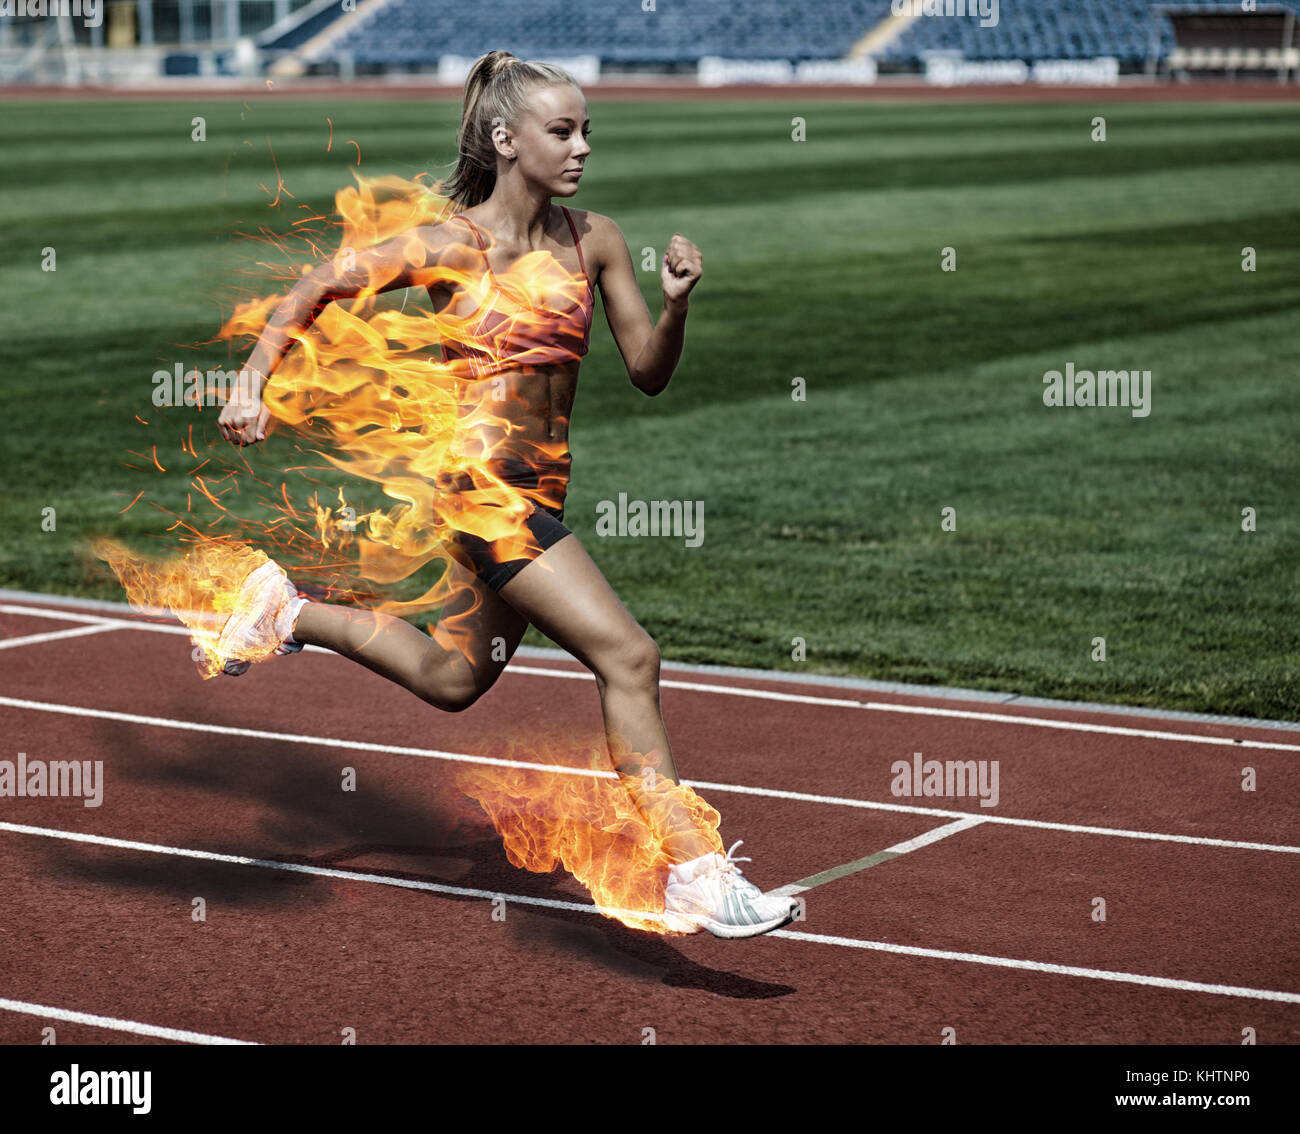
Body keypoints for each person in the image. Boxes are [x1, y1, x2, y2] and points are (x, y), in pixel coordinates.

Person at [213, 50, 797, 939]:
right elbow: (322, 282)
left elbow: (647, 373)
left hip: (538, 494)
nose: (582, 147)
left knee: (452, 680)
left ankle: (288, 613)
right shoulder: (453, 245)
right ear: (505, 139)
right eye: (562, 131)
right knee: (629, 658)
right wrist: (256, 373)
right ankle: (694, 870)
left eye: (587, 130)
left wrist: (677, 305)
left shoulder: (593, 239)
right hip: (481, 495)